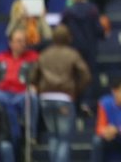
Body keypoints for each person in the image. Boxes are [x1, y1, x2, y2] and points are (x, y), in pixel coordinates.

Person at [30, 24, 91, 162]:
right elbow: (86, 75)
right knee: (64, 139)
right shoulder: (72, 54)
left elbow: (33, 76)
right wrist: (76, 90)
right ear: (68, 38)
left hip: (45, 99)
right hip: (64, 98)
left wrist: (40, 88)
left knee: (52, 136)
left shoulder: (44, 54)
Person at [0, 29, 39, 139]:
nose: (23, 44)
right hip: (3, 93)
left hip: (23, 92)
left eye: (24, 41)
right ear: (11, 43)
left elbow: (39, 77)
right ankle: (0, 134)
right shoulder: (1, 57)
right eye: (19, 41)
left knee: (32, 97)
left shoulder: (33, 57)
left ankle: (31, 136)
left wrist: (35, 86)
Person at [61, 0, 104, 96]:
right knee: (89, 75)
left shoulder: (68, 11)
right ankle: (88, 103)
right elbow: (99, 30)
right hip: (90, 49)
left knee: (74, 75)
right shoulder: (92, 10)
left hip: (73, 49)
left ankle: (76, 103)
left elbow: (61, 30)